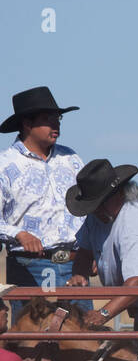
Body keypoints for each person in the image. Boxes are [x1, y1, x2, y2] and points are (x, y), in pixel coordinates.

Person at [65, 160, 138, 332]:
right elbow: (84, 252)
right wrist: (79, 274)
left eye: (99, 203)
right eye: (92, 205)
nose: (95, 210)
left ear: (119, 194)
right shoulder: (97, 216)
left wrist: (103, 313)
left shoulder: (133, 226)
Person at [0, 87, 86, 312]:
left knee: (84, 338)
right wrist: (19, 233)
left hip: (76, 263)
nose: (56, 125)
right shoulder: (5, 165)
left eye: (57, 119)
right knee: (33, 342)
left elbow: (89, 206)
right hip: (30, 264)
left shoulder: (72, 159)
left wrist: (92, 250)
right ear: (27, 123)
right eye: (47, 120)